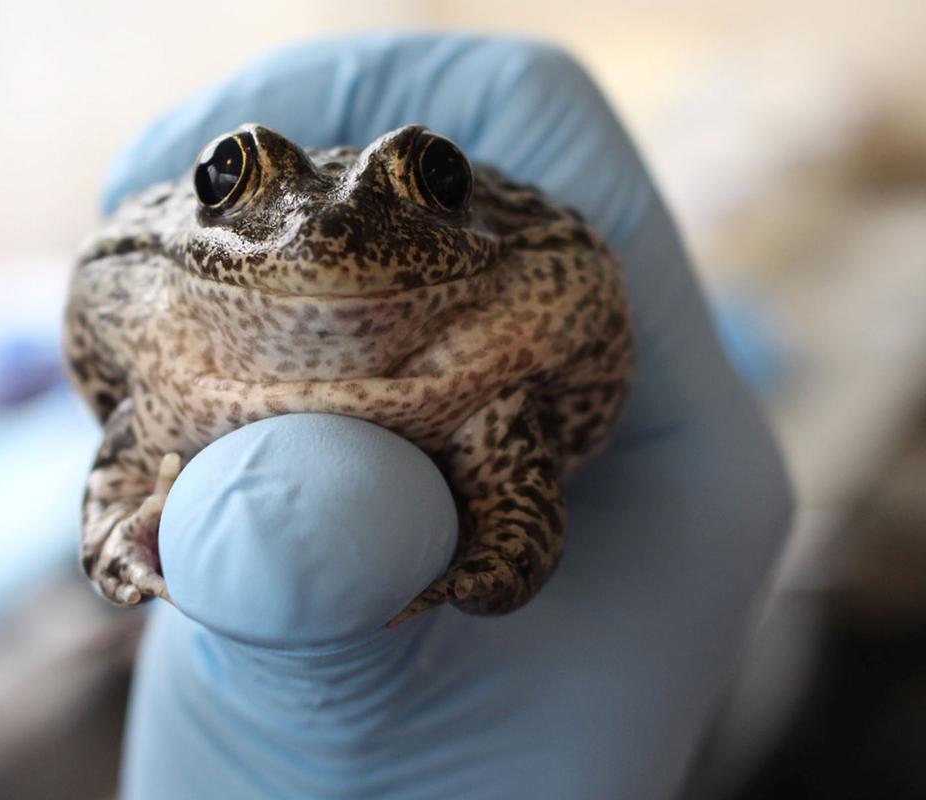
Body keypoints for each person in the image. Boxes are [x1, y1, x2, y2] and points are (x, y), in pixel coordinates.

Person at [103, 34, 793, 799]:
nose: (323, 237)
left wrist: (499, 558)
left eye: (434, 178)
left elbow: (514, 556)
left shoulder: (512, 340)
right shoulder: (154, 311)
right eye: (230, 175)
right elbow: (110, 507)